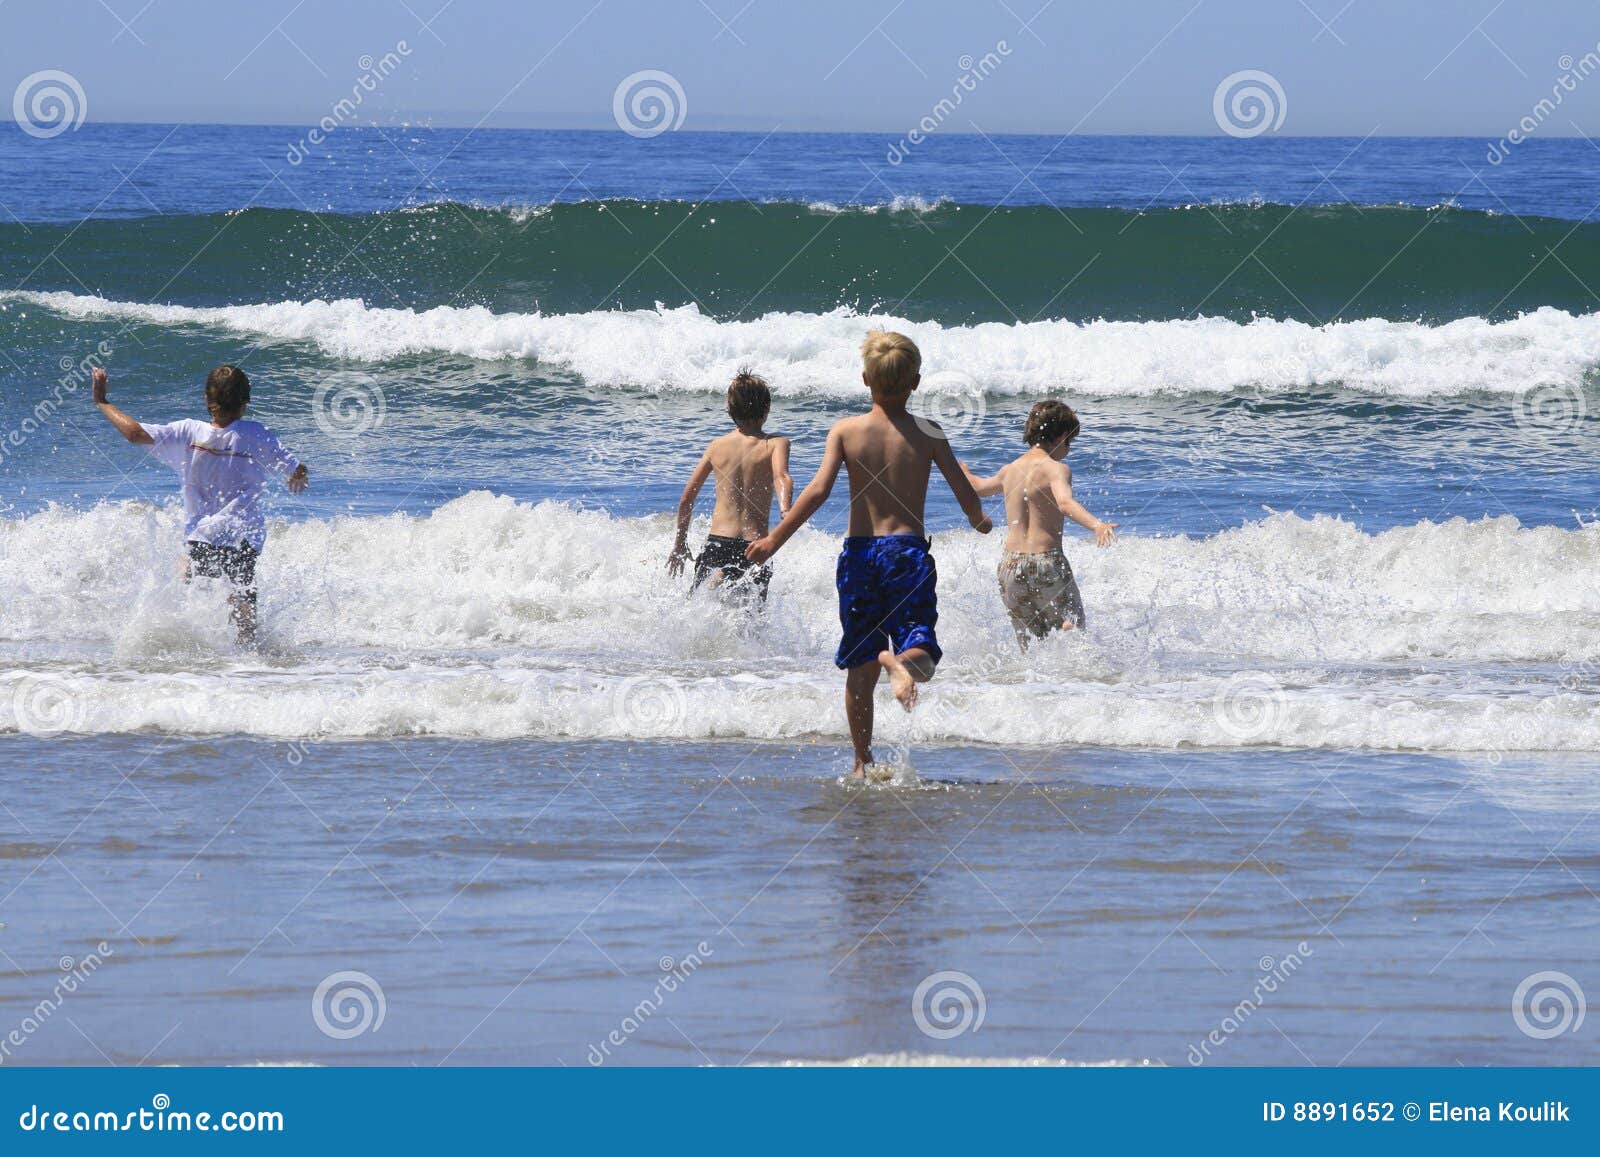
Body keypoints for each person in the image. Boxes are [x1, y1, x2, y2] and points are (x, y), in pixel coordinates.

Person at [746, 332, 991, 778]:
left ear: (864, 379)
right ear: (916, 382)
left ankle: (862, 761)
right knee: (923, 653)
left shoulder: (845, 431)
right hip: (908, 556)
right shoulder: (929, 433)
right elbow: (964, 490)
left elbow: (817, 492)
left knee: (859, 666)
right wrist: (979, 520)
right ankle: (898, 664)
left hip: (859, 557)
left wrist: (773, 540)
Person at [92, 364, 308, 645]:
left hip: (202, 537)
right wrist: (297, 478)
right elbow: (296, 469)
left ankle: (177, 646)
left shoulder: (188, 432)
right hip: (242, 537)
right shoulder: (256, 434)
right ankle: (248, 666)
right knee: (243, 607)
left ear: (207, 400)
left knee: (189, 584)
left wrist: (102, 401)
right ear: (245, 403)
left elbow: (134, 433)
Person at [963, 400, 1116, 649]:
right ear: (1062, 436)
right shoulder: (1056, 469)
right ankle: (1075, 670)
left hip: (1010, 566)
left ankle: (1032, 687)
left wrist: (965, 472)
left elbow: (979, 488)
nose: (1068, 449)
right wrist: (1097, 525)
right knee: (1075, 625)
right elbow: (1065, 503)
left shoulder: (1009, 469)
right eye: (1070, 443)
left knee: (1029, 641)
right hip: (1047, 563)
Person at [668, 369, 792, 602]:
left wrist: (680, 544)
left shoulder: (717, 446)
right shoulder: (776, 444)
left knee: (696, 610)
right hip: (755, 546)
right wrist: (786, 508)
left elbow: (686, 498)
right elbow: (781, 477)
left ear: (730, 410)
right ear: (767, 409)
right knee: (752, 622)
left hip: (717, 543)